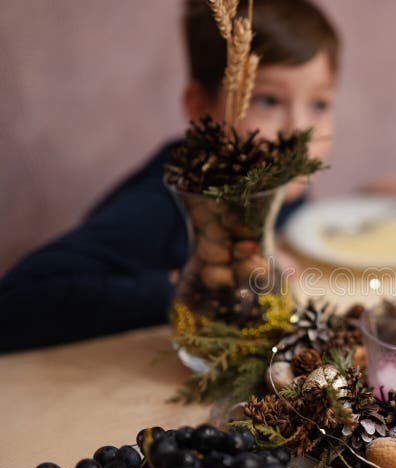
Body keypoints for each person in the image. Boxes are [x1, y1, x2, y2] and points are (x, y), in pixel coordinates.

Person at [0, 0, 340, 352]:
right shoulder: (165, 205)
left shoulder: (273, 185)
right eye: (268, 101)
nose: (300, 133)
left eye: (319, 104)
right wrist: (193, 286)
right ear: (199, 107)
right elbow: (17, 300)